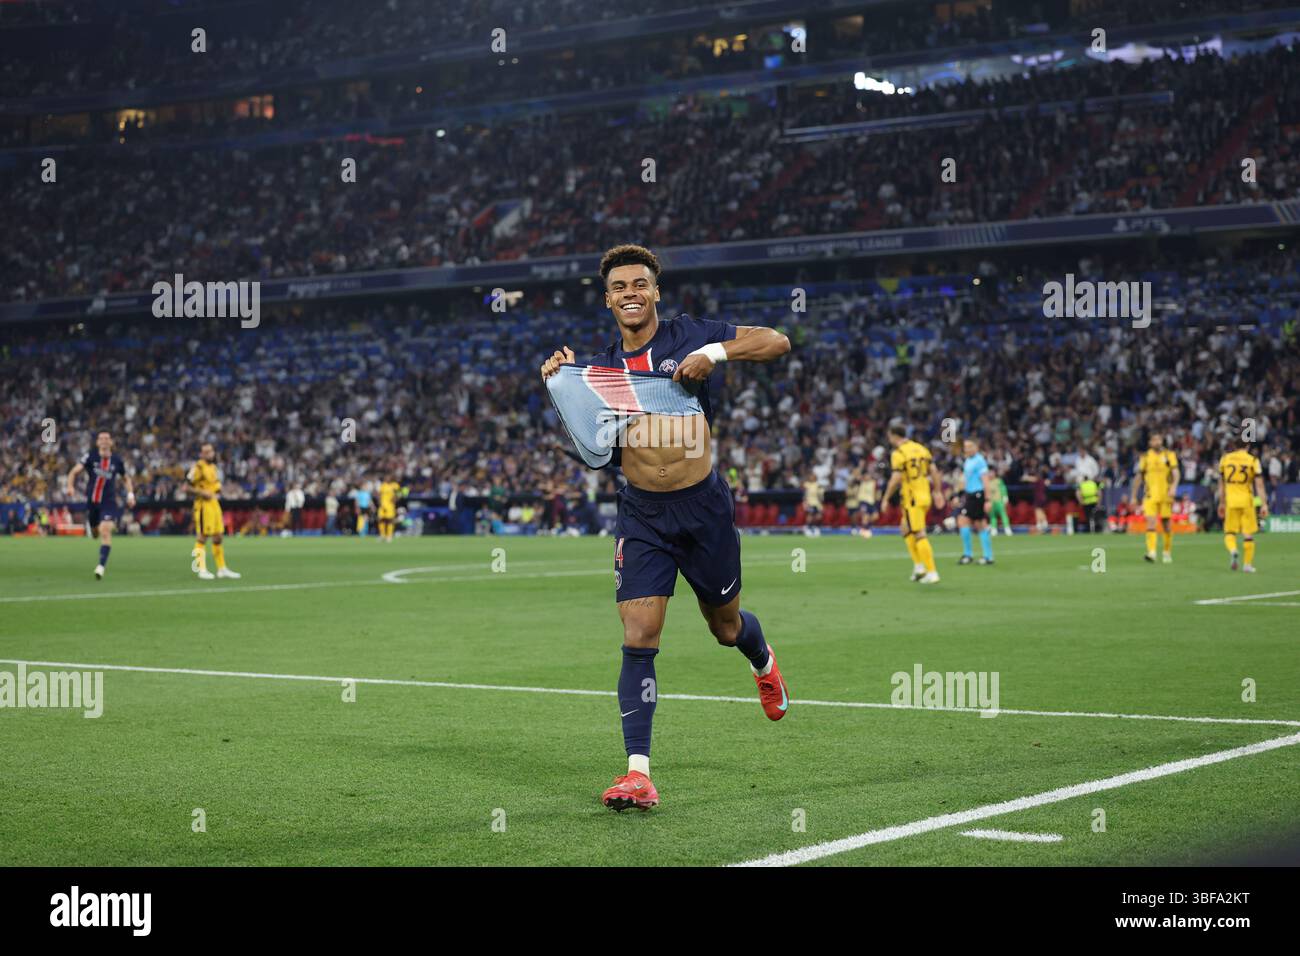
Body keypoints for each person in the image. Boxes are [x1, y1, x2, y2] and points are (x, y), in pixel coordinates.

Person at [539, 243, 791, 812]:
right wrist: (561, 383)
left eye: (640, 284)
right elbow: (592, 451)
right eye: (620, 287)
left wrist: (717, 354)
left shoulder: (688, 335)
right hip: (642, 515)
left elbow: (777, 341)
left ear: (655, 292)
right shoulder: (599, 370)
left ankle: (762, 659)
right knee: (638, 634)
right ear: (608, 300)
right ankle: (637, 772)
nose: (631, 293)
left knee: (725, 629)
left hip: (703, 509)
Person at [64, 430, 135, 579]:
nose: (104, 440)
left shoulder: (117, 461)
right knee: (96, 533)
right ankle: (93, 528)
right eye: (101, 438)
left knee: (105, 531)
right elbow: (74, 472)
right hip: (92, 502)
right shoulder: (90, 456)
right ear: (97, 443)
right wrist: (70, 486)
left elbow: (126, 478)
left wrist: (130, 494)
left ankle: (101, 566)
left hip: (108, 502)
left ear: (111, 442)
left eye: (107, 438)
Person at [882, 425, 945, 583]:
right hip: (924, 494)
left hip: (912, 498)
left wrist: (886, 498)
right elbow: (934, 471)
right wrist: (937, 491)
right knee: (905, 528)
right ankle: (918, 567)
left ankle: (932, 571)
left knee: (919, 533)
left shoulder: (898, 453)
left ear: (894, 436)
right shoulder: (921, 449)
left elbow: (896, 478)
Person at [184, 442, 240, 580]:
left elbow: (216, 487)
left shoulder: (213, 467)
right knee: (202, 536)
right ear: (201, 454)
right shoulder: (198, 468)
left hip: (214, 504)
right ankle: (200, 569)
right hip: (203, 505)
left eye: (211, 451)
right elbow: (186, 488)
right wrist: (202, 492)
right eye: (206, 452)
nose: (210, 454)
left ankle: (222, 569)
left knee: (218, 536)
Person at [1217, 439, 1268, 573]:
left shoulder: (1225, 460)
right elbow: (1259, 485)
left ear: (1234, 445)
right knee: (1248, 534)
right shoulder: (1252, 460)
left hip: (1231, 500)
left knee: (1229, 532)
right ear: (1248, 446)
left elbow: (1221, 485)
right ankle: (1247, 565)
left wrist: (1221, 503)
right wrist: (1264, 504)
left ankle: (1233, 550)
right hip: (1247, 501)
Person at [1131, 433, 1180, 563]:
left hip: (1165, 494)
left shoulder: (1169, 455)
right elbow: (1139, 477)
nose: (1157, 442)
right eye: (1154, 440)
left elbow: (1175, 473)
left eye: (1159, 439)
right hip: (1150, 495)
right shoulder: (1146, 457)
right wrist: (1134, 496)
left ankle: (1167, 551)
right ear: (1150, 443)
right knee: (1151, 523)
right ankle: (1151, 552)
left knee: (1166, 525)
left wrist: (1174, 487)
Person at [957, 437, 994, 565]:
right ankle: (983, 556)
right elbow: (966, 480)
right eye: (965, 447)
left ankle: (974, 555)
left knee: (969, 522)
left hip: (978, 495)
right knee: (973, 523)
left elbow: (986, 480)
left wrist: (988, 499)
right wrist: (961, 494)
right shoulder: (968, 460)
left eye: (970, 446)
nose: (967, 449)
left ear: (976, 447)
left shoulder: (979, 461)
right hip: (970, 495)